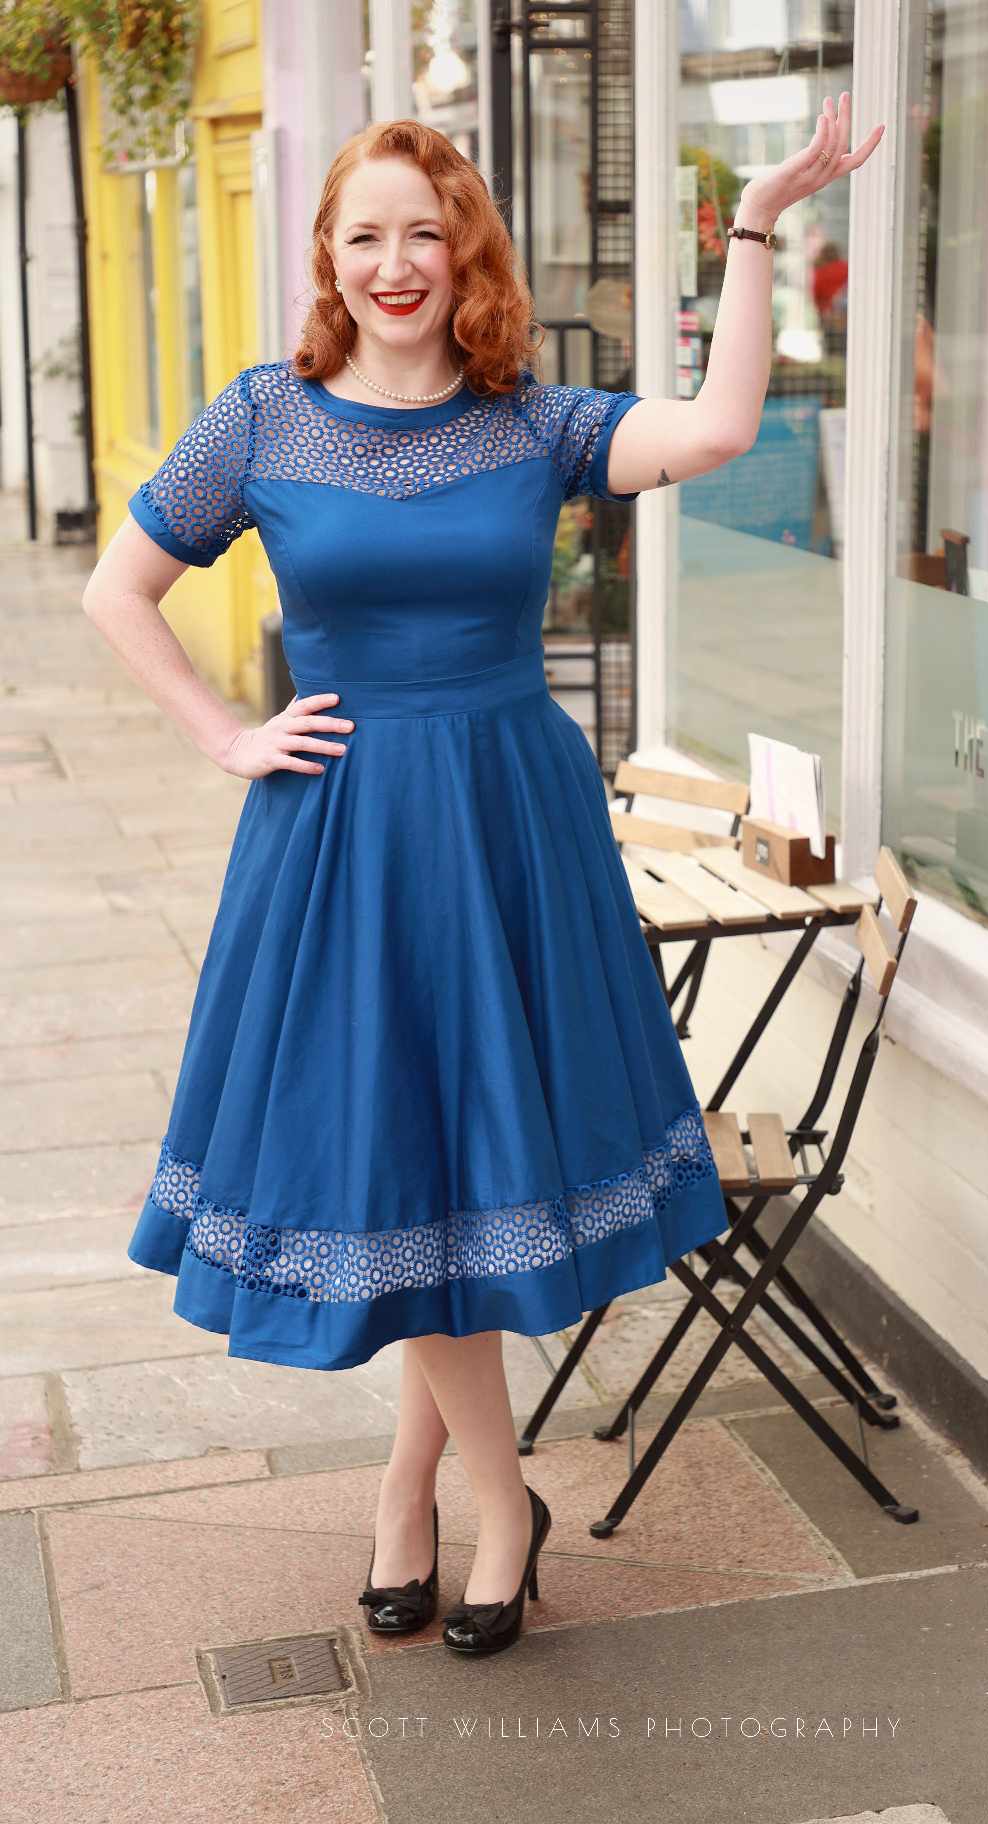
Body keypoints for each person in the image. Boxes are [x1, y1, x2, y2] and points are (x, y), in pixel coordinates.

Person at [80, 99, 882, 1659]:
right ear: (328, 254)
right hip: (343, 838)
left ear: (467, 256)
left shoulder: (532, 420)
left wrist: (758, 221)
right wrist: (225, 738)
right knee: (394, 1157)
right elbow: (123, 588)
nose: (394, 264)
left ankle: (422, 1492)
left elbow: (716, 431)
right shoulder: (264, 416)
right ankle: (491, 1497)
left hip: (510, 829)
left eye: (423, 235)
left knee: (449, 1167)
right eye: (364, 235)